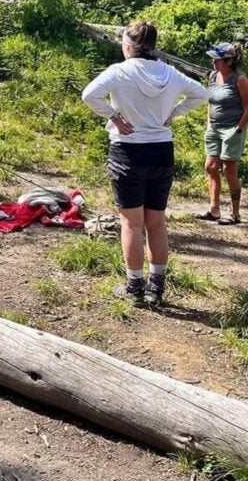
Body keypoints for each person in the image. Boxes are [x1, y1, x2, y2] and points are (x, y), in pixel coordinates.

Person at [82, 21, 209, 307]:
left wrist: (114, 116)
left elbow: (89, 95)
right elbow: (202, 94)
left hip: (128, 152)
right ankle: (157, 288)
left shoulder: (119, 71)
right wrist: (173, 113)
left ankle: (134, 287)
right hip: (161, 151)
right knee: (157, 223)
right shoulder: (171, 73)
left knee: (131, 223)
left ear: (128, 46)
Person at [200, 42, 248, 225]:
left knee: (229, 169)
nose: (213, 62)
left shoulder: (240, 79)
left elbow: (247, 107)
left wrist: (238, 129)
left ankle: (235, 213)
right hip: (213, 128)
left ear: (229, 61)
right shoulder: (212, 76)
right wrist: (208, 123)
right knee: (211, 167)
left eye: (217, 59)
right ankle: (214, 210)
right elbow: (210, 103)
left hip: (232, 129)